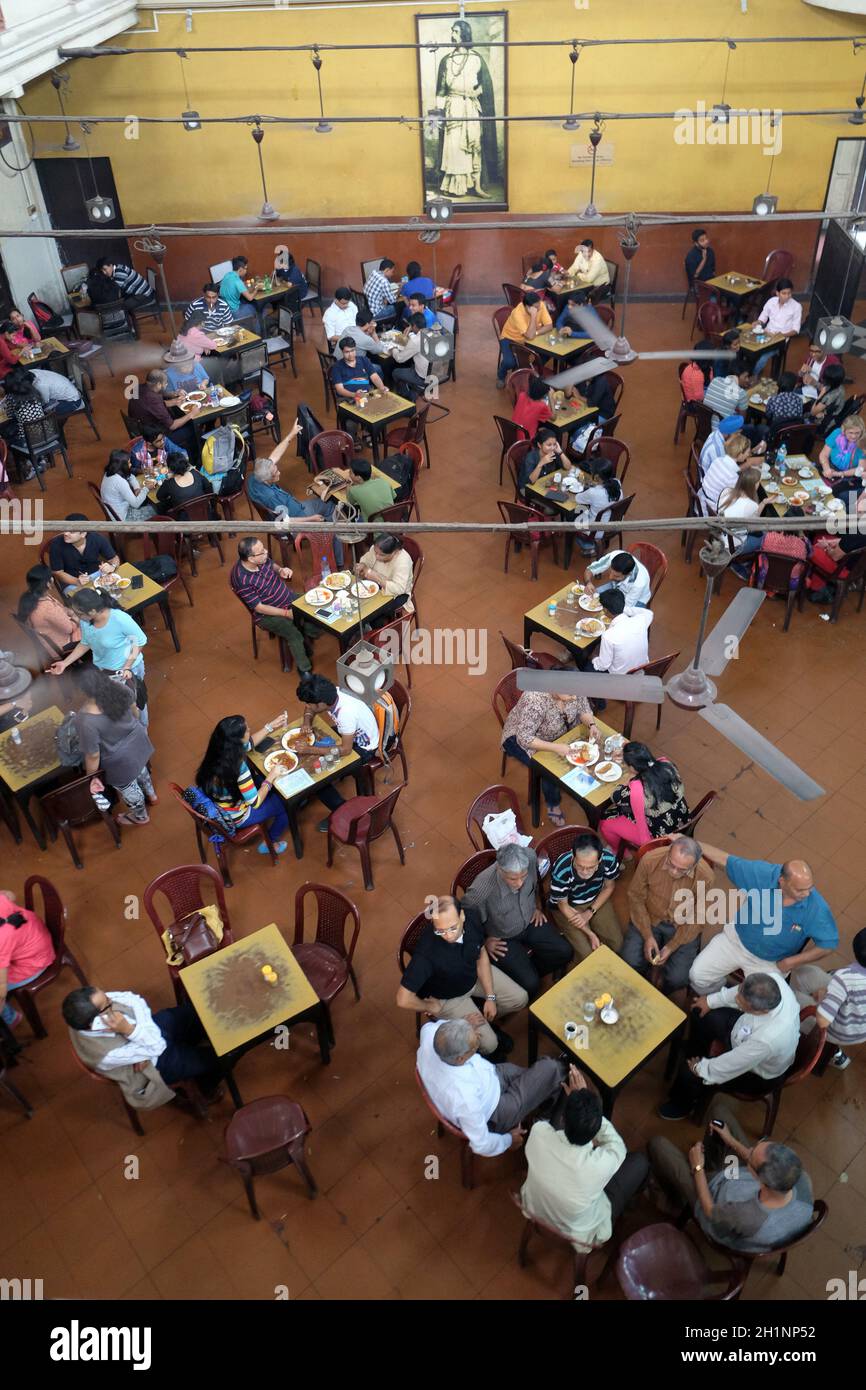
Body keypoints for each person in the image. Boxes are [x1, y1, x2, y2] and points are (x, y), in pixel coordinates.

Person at [649, 1097, 813, 1253]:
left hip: (713, 1205)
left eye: (751, 1156)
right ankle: (714, 1164)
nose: (748, 1150)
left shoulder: (748, 1216)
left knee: (658, 1145)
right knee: (719, 1113)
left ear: (760, 1182)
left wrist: (698, 1167)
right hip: (733, 1180)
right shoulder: (799, 1177)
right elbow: (751, 1157)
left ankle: (673, 1202)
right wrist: (731, 1140)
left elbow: (711, 1211)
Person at [686, 841, 839, 995]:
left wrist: (790, 962)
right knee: (697, 975)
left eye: (810, 887)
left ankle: (737, 1006)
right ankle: (719, 994)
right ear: (782, 882)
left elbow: (828, 944)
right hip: (735, 941)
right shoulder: (762, 875)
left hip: (770, 963)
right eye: (800, 890)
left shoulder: (817, 908)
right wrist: (688, 843)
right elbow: (725, 859)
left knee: (763, 1002)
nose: (807, 894)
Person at [521, 1072, 649, 1250]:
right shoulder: (599, 1165)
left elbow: (550, 1128)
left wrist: (577, 1102)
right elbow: (618, 1145)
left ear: (563, 1120)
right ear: (596, 1132)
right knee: (641, 1162)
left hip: (536, 1208)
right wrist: (592, 1116)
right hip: (579, 1231)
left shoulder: (538, 1133)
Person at [659, 972, 801, 1121]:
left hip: (756, 1073)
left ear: (762, 1011)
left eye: (741, 1001)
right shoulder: (771, 980)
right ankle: (694, 1052)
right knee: (700, 1013)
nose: (736, 998)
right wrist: (710, 1001)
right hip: (743, 1031)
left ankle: (683, 1105)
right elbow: (739, 991)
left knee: (688, 1073)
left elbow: (731, 1065)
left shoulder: (768, 1039)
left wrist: (700, 1068)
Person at [398, 897, 528, 1058]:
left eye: (453, 928)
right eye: (440, 930)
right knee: (490, 1044)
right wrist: (429, 1007)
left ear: (462, 916)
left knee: (520, 999)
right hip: (449, 997)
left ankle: (484, 1021)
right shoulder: (426, 954)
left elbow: (481, 955)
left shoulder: (472, 918)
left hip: (473, 976)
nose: (448, 936)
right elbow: (403, 999)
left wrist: (490, 996)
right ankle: (486, 1033)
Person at [416, 1018, 566, 1157]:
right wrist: (508, 1140)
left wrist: (466, 1026)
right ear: (460, 1058)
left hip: (492, 1075)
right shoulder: (464, 1098)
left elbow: (441, 1026)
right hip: (497, 1111)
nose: (479, 1038)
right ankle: (546, 1114)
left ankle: (545, 1105)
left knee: (545, 1078)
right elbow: (481, 1145)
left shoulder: (429, 1032)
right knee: (553, 1069)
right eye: (474, 1046)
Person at [63, 984, 223, 1107]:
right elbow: (158, 1046)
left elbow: (133, 998)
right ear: (96, 1022)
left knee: (196, 1011)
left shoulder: (88, 1011)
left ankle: (194, 1037)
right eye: (107, 1004)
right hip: (157, 1065)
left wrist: (139, 1034)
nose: (112, 1000)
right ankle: (206, 1088)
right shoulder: (107, 1053)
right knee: (220, 1056)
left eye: (107, 997)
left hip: (149, 1042)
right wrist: (130, 1030)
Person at [462, 843, 573, 995]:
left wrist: (537, 907)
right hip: (502, 937)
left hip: (530, 919)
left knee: (565, 951)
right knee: (532, 985)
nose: (520, 883)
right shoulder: (481, 891)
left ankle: (526, 971)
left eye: (523, 876)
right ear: (500, 870)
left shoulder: (530, 856)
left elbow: (534, 885)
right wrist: (484, 942)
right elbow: (466, 921)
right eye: (513, 879)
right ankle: (527, 975)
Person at [501, 685, 602, 829]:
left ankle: (582, 790)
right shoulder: (535, 700)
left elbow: (583, 709)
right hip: (524, 739)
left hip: (560, 734)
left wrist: (592, 725)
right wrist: (555, 748)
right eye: (571, 694)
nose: (575, 697)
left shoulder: (573, 688)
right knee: (549, 770)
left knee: (582, 755)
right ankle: (553, 804)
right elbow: (524, 738)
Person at [622, 837, 715, 993]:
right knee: (630, 961)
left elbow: (698, 918)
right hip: (649, 918)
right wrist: (647, 936)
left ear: (694, 864)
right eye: (671, 864)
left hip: (683, 926)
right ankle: (640, 980)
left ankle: (659, 993)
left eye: (682, 870)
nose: (673, 872)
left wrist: (672, 946)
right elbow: (635, 896)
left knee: (678, 978)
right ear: (669, 850)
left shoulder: (706, 877)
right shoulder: (650, 860)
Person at [49, 588, 150, 727]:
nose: (76, 616)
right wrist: (65, 663)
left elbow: (139, 642)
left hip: (129, 670)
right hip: (105, 671)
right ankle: (128, 725)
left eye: (79, 613)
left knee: (138, 703)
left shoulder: (119, 619)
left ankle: (142, 728)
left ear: (92, 611)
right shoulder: (86, 621)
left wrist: (127, 666)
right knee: (122, 703)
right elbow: (85, 643)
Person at [196, 712, 291, 853]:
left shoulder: (218, 749)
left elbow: (247, 744)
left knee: (262, 782)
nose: (250, 729)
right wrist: (271, 776)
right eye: (246, 730)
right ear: (236, 740)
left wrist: (270, 726)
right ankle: (269, 842)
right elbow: (256, 802)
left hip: (219, 804)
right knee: (286, 804)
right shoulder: (239, 767)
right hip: (238, 816)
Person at [296, 672, 380, 825]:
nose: (307, 706)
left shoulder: (345, 713)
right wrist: (307, 721)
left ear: (321, 703)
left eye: (309, 704)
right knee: (316, 748)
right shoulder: (330, 692)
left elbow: (345, 750)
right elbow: (310, 709)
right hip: (349, 734)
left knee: (317, 780)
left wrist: (310, 749)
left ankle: (341, 810)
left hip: (362, 748)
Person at [75, 667, 156, 827]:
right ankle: (152, 795)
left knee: (129, 788)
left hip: (119, 762)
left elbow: (93, 755)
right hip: (138, 741)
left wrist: (91, 776)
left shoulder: (85, 720)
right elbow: (135, 710)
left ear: (83, 689)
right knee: (141, 769)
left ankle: (141, 816)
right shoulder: (119, 687)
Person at [229, 537, 311, 675]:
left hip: (287, 597)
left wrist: (281, 570)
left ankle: (308, 636)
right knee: (293, 634)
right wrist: (286, 613)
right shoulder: (241, 579)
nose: (266, 552)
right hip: (267, 615)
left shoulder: (261, 558)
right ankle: (304, 670)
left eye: (264, 549)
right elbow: (259, 607)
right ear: (251, 559)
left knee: (312, 604)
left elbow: (272, 564)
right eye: (262, 552)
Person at [435, 21, 497, 200]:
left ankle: (476, 186)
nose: (452, 34)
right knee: (454, 147)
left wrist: (474, 92)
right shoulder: (446, 61)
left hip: (470, 107)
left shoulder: (476, 58)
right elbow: (441, 89)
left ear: (464, 34)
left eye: (455, 31)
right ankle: (454, 187)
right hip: (453, 107)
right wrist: (438, 113)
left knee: (474, 146)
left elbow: (484, 87)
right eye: (452, 31)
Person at [791, 927, 866, 1070]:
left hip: (841, 1030)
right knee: (805, 973)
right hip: (858, 1022)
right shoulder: (846, 979)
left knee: (788, 1000)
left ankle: (831, 1053)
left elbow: (823, 1020)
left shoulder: (846, 979)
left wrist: (824, 998)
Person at [599, 742, 689, 856]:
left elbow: (615, 797)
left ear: (632, 767)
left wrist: (629, 778)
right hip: (681, 820)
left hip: (659, 835)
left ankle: (621, 853)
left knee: (605, 822)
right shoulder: (667, 764)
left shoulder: (637, 788)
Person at [548, 830, 622, 961]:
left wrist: (589, 912)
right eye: (580, 866)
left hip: (596, 898)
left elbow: (609, 887)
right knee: (588, 955)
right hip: (568, 906)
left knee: (618, 944)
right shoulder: (561, 869)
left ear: (600, 860)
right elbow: (563, 905)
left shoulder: (609, 860)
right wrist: (590, 933)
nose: (584, 872)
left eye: (591, 867)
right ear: (572, 856)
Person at [247, 426, 337, 526]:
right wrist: (311, 519)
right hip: (298, 518)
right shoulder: (271, 497)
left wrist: (291, 435)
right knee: (330, 506)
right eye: (275, 473)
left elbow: (274, 456)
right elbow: (285, 521)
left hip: (292, 507)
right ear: (266, 480)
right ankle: (327, 535)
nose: (279, 473)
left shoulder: (255, 476)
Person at [0, 888, 54, 1030]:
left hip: (34, 963)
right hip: (36, 941)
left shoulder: (2, 939)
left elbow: (1, 987)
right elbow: (10, 894)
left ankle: (10, 1018)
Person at [127, 367, 200, 450]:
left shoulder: (139, 388)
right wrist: (191, 414)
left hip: (138, 427)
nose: (166, 385)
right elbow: (172, 425)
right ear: (158, 384)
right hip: (155, 437)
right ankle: (193, 457)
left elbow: (151, 407)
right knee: (194, 428)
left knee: (180, 416)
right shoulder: (153, 399)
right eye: (165, 383)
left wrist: (174, 401)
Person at [586, 591, 653, 676]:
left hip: (620, 678)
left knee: (587, 666)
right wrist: (622, 608)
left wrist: (594, 658)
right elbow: (649, 613)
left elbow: (603, 666)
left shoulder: (608, 636)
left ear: (605, 610)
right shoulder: (641, 620)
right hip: (641, 670)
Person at [16, 564, 80, 653]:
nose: (53, 579)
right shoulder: (47, 607)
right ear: (48, 583)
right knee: (93, 626)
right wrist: (76, 618)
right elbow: (69, 629)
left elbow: (61, 609)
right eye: (51, 577)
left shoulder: (30, 597)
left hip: (48, 646)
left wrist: (71, 613)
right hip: (63, 646)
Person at [48, 514, 120, 591]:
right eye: (65, 529)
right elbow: (58, 572)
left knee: (116, 588)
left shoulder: (96, 538)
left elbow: (114, 558)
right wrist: (77, 581)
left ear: (83, 533)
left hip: (97, 574)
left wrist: (112, 566)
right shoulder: (56, 545)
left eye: (72, 531)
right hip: (72, 581)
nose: (65, 533)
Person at [497, 292, 553, 387]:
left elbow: (549, 326)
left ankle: (530, 370)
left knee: (548, 352)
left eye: (539, 305)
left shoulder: (540, 304)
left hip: (530, 340)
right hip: (510, 338)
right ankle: (501, 375)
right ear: (527, 307)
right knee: (509, 362)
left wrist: (536, 333)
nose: (539, 308)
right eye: (536, 307)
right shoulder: (517, 313)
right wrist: (534, 316)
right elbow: (529, 336)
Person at [570, 459, 622, 555]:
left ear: (597, 477)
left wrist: (588, 487)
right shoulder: (617, 483)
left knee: (572, 516)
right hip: (614, 522)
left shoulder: (593, 493)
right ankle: (595, 544)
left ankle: (589, 546)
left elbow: (577, 498)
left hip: (597, 530)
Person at [751, 278, 802, 374]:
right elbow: (763, 318)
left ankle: (751, 376)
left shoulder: (796, 307)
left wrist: (781, 335)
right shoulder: (771, 302)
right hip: (765, 335)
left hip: (780, 340)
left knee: (762, 357)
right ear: (777, 293)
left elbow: (796, 330)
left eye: (789, 293)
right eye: (784, 293)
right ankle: (750, 374)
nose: (787, 296)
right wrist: (757, 323)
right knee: (750, 350)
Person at [356, 534, 414, 617]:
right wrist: (362, 565)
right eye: (376, 553)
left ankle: (377, 626)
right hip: (377, 585)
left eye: (382, 555)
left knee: (373, 612)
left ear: (394, 552)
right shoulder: (377, 549)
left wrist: (377, 578)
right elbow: (366, 559)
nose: (377, 556)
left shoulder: (402, 562)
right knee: (360, 603)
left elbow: (399, 588)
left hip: (398, 594)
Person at [698, 430, 753, 514]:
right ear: (741, 454)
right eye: (748, 452)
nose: (748, 455)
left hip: (701, 501)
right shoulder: (733, 477)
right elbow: (735, 501)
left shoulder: (717, 460)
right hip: (710, 511)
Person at [100, 449, 157, 522]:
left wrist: (136, 488)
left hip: (117, 510)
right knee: (157, 508)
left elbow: (131, 476)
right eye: (129, 463)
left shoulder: (111, 472)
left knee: (146, 500)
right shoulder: (120, 481)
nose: (131, 465)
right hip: (123, 518)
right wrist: (146, 488)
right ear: (122, 466)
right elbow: (136, 504)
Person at [585, 549, 652, 608]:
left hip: (637, 600)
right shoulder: (614, 556)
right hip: (617, 586)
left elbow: (626, 608)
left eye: (616, 576)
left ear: (629, 574)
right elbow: (590, 569)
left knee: (615, 616)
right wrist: (588, 582)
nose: (610, 577)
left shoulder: (639, 583)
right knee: (591, 596)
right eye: (610, 571)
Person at [155, 453, 215, 518]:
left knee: (160, 506)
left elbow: (159, 496)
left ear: (169, 469)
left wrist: (174, 499)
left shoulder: (169, 483)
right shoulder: (195, 473)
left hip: (186, 521)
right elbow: (209, 488)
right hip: (207, 515)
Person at [390, 312, 432, 399]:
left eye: (411, 326)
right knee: (411, 364)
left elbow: (399, 358)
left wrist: (393, 349)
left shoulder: (416, 341)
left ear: (415, 326)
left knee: (395, 372)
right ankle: (413, 387)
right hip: (436, 374)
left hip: (423, 378)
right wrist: (410, 334)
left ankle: (407, 395)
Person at [698, 413, 749, 481]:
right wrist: (748, 464)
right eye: (737, 433)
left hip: (710, 474)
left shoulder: (716, 433)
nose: (738, 436)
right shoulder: (718, 449)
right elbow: (724, 475)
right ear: (729, 433)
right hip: (711, 481)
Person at [819, 415, 866, 486]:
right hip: (831, 468)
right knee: (817, 487)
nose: (854, 436)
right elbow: (824, 454)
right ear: (843, 430)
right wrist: (827, 469)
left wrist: (839, 474)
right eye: (851, 432)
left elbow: (860, 469)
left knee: (851, 496)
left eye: (857, 433)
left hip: (852, 478)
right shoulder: (836, 433)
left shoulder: (863, 441)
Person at [516, 427, 564, 496]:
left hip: (544, 483)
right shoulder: (531, 457)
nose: (552, 448)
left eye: (554, 444)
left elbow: (568, 467)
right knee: (553, 499)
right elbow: (531, 481)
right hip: (527, 489)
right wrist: (541, 463)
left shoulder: (553, 452)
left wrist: (560, 452)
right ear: (539, 445)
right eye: (549, 445)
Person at [218, 255, 260, 328]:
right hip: (234, 311)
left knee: (244, 303)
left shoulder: (227, 275)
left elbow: (227, 286)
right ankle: (258, 333)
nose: (246, 271)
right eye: (246, 269)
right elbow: (250, 298)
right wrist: (257, 288)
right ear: (240, 269)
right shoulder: (237, 281)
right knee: (255, 308)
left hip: (225, 309)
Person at [809, 362, 847, 434]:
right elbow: (825, 388)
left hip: (825, 424)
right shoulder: (840, 386)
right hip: (835, 414)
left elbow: (812, 412)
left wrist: (820, 395)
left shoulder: (829, 397)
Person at [512, 376, 552, 440]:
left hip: (513, 432)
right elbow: (553, 417)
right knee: (551, 432)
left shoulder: (522, 395)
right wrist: (550, 396)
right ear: (544, 394)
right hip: (527, 440)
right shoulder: (541, 406)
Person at [764, 371, 804, 435]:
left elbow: (768, 415)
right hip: (793, 434)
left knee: (760, 428)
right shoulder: (799, 400)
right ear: (794, 386)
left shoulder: (774, 399)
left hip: (776, 434)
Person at [363, 258, 399, 322]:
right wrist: (399, 291)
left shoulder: (373, 273)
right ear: (387, 270)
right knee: (398, 306)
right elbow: (393, 300)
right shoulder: (384, 281)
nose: (392, 274)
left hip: (368, 309)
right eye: (392, 271)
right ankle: (395, 325)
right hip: (376, 313)